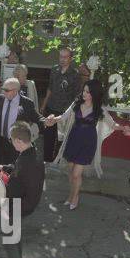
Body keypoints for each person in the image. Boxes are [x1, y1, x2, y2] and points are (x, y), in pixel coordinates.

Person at [0, 122, 44, 258]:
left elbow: (22, 186)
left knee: (10, 240)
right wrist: (7, 168)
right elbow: (19, 171)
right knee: (14, 236)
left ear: (18, 141)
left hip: (19, 205)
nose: (11, 142)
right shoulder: (30, 152)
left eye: (11, 139)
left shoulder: (28, 161)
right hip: (20, 203)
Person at [46, 79, 108, 210]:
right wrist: (53, 120)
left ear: (94, 93)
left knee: (76, 174)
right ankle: (71, 195)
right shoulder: (76, 103)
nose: (84, 93)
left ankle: (75, 197)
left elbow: (112, 123)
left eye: (88, 92)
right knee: (71, 171)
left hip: (88, 143)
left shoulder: (99, 108)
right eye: (84, 90)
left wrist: (123, 128)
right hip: (73, 140)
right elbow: (63, 116)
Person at [0, 77, 46, 165]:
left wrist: (46, 121)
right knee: (1, 167)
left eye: (6, 90)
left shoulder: (26, 103)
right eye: (3, 89)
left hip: (17, 142)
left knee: (15, 167)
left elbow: (37, 118)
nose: (4, 92)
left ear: (15, 91)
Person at [40, 47, 82, 163]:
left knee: (61, 138)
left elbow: (77, 96)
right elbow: (50, 88)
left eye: (65, 57)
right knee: (48, 136)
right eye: (61, 56)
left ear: (70, 58)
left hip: (64, 111)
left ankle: (57, 161)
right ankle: (47, 160)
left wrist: (73, 113)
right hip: (51, 107)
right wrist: (44, 104)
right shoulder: (54, 69)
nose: (62, 59)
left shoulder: (75, 74)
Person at [13, 64, 39, 142]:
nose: (25, 78)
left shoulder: (30, 85)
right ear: (16, 77)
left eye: (26, 75)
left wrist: (33, 119)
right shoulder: (10, 86)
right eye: (23, 76)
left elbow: (34, 103)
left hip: (28, 122)